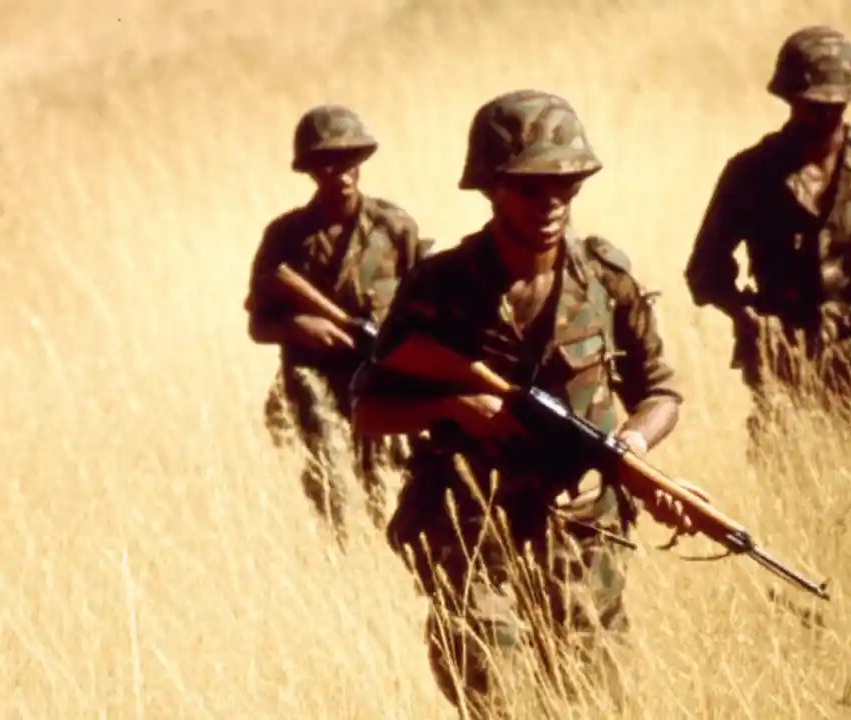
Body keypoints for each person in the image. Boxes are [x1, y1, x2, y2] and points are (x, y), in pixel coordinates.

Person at [351, 89, 698, 717]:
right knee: (495, 691)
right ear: (491, 186)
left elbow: (662, 392)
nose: (550, 203)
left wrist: (635, 450)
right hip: (471, 529)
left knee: (592, 698)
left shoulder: (604, 278)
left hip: (584, 533)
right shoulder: (440, 284)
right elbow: (370, 410)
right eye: (530, 187)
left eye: (565, 186)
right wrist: (454, 407)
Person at [684, 26, 851, 468]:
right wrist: (747, 317)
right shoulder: (751, 173)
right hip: (788, 378)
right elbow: (705, 272)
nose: (826, 114)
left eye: (836, 104)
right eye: (813, 105)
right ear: (789, 99)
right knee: (797, 498)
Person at [246, 104, 431, 543]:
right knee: (330, 481)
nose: (341, 172)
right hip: (315, 383)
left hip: (381, 378)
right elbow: (258, 325)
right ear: (308, 168)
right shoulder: (286, 237)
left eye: (350, 160)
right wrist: (299, 328)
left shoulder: (394, 226)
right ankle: (340, 559)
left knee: (388, 480)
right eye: (327, 161)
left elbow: (424, 306)